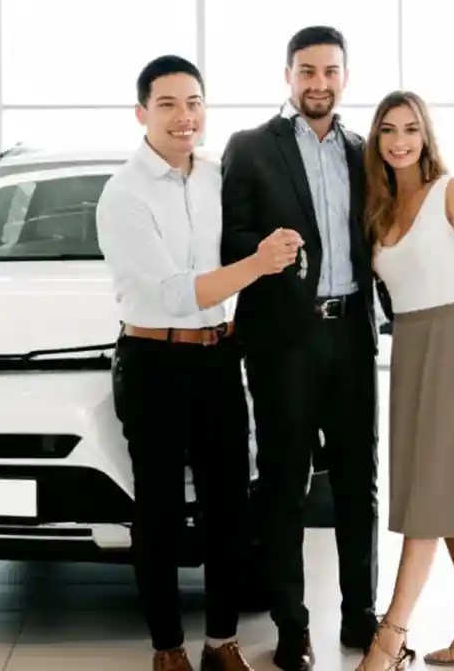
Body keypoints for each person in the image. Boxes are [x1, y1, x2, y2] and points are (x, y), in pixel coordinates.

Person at [95, 54, 303, 671]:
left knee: (228, 511)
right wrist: (259, 264)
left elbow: (239, 254)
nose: (184, 118)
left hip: (217, 361)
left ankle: (220, 641)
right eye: (168, 105)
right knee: (157, 514)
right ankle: (167, 649)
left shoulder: (215, 178)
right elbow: (172, 291)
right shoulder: (123, 194)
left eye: (194, 103)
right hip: (153, 362)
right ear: (141, 113)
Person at [220, 26, 385, 671]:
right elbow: (231, 243)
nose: (319, 83)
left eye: (331, 71)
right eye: (307, 71)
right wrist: (265, 257)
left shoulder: (363, 151)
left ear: (344, 76)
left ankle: (359, 617)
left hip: (351, 335)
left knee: (358, 485)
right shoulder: (251, 149)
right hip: (284, 340)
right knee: (285, 486)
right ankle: (293, 627)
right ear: (287, 75)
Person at [355, 90, 454, 671]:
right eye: (389, 130)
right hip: (410, 352)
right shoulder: (376, 211)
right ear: (376, 140)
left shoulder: (452, 192)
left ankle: (389, 638)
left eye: (411, 129)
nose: (400, 140)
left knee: (427, 498)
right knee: (440, 492)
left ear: (426, 137)